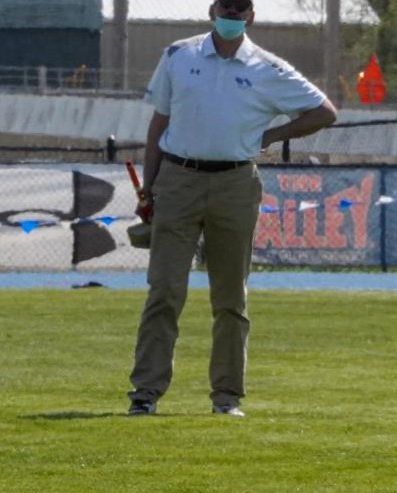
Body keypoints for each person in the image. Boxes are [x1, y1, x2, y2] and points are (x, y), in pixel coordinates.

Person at [126, 0, 336, 417]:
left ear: (251, 17)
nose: (232, 15)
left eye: (241, 9)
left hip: (236, 183)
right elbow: (158, 123)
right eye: (227, 6)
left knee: (230, 298)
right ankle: (145, 394)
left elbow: (324, 112)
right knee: (165, 290)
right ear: (211, 9)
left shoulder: (268, 67)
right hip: (178, 178)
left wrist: (273, 135)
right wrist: (148, 189)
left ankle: (226, 398)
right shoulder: (178, 55)